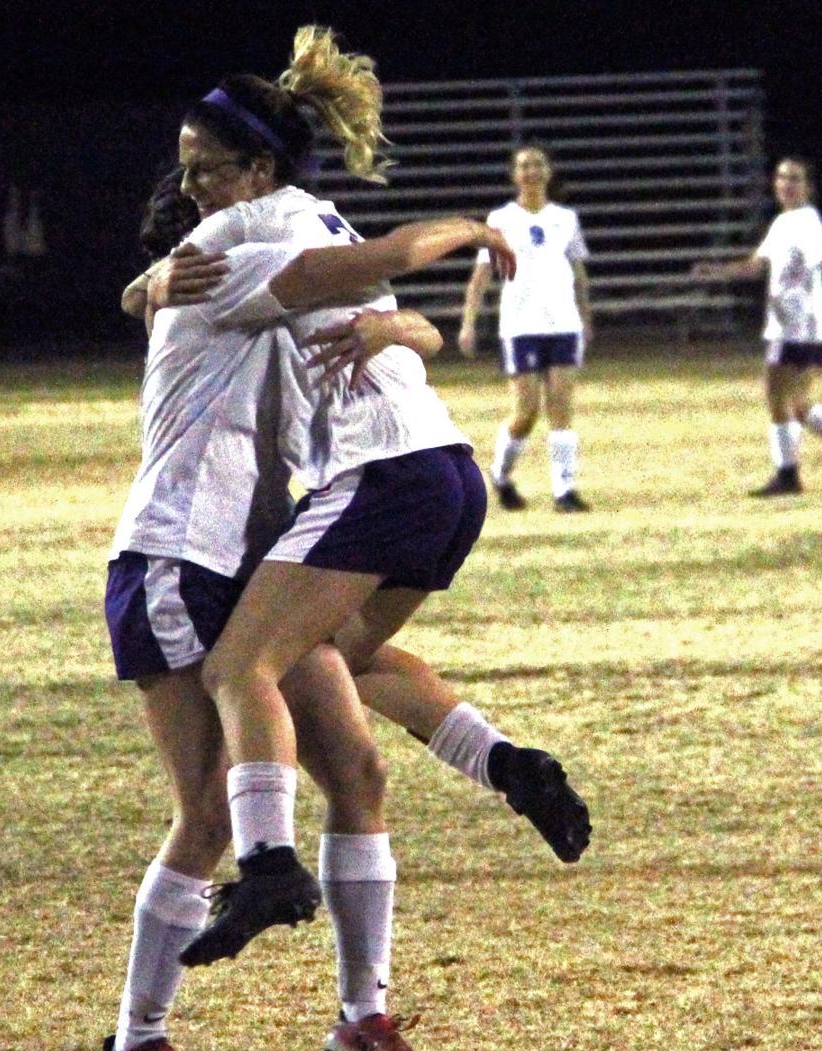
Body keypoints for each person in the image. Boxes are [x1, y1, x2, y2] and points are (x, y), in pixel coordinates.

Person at [128, 29, 587, 979]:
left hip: (371, 478)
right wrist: (398, 322)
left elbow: (390, 257)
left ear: (256, 170)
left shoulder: (236, 242)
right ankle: (504, 764)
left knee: (239, 672)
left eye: (202, 172)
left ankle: (267, 866)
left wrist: (466, 229)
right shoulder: (306, 218)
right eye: (182, 180)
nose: (190, 194)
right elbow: (396, 312)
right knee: (341, 658)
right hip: (444, 475)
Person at [103, 170, 465, 1051]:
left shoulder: (269, 286)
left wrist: (396, 326)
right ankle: (136, 1042)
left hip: (255, 558)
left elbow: (396, 309)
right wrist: (476, 227)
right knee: (207, 811)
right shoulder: (230, 274)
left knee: (356, 770)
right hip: (179, 557)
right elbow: (378, 261)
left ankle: (364, 1020)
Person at [691, 156, 822, 496]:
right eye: (781, 177)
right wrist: (717, 270)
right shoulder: (782, 223)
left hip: (798, 325)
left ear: (808, 187)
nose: (785, 184)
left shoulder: (806, 220)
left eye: (794, 178)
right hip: (794, 324)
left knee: (777, 396)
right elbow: (754, 267)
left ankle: (789, 473)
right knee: (796, 402)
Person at [458, 145, 593, 513]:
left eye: (536, 164)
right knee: (526, 411)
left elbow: (578, 271)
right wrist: (469, 323)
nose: (531, 171)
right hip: (520, 325)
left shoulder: (565, 218)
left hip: (563, 323)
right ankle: (500, 475)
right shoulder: (501, 219)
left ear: (548, 172)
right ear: (514, 175)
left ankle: (564, 491)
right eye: (523, 166)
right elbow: (481, 275)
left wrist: (585, 315)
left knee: (562, 407)